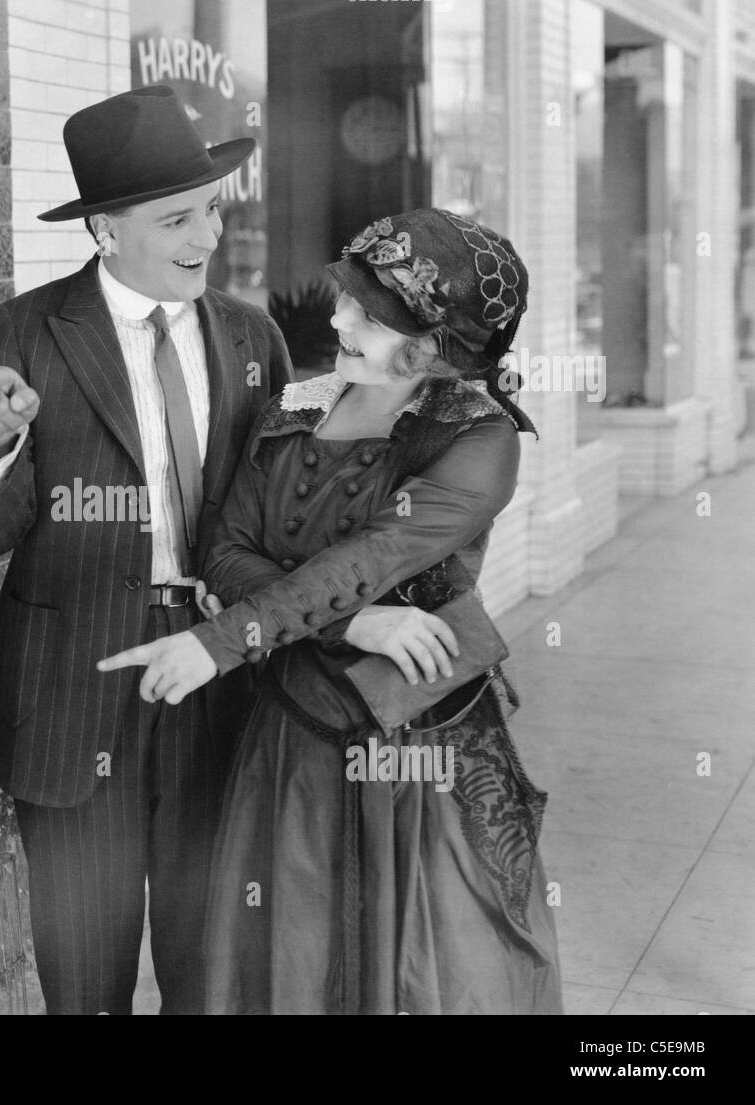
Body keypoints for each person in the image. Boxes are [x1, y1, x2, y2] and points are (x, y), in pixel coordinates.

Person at [100, 209, 563, 1014]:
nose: (336, 317)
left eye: (366, 313)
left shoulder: (481, 441)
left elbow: (369, 559)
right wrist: (355, 623)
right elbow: (225, 552)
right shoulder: (294, 407)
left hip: (419, 753)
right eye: (346, 297)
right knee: (290, 960)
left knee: (420, 972)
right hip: (292, 737)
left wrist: (219, 641)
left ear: (429, 344)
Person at [0, 84, 293, 1014]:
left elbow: (278, 524)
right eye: (176, 217)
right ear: (103, 228)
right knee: (85, 979)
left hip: (216, 686)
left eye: (212, 208)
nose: (206, 236)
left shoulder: (255, 340)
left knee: (212, 970)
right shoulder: (21, 333)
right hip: (71, 696)